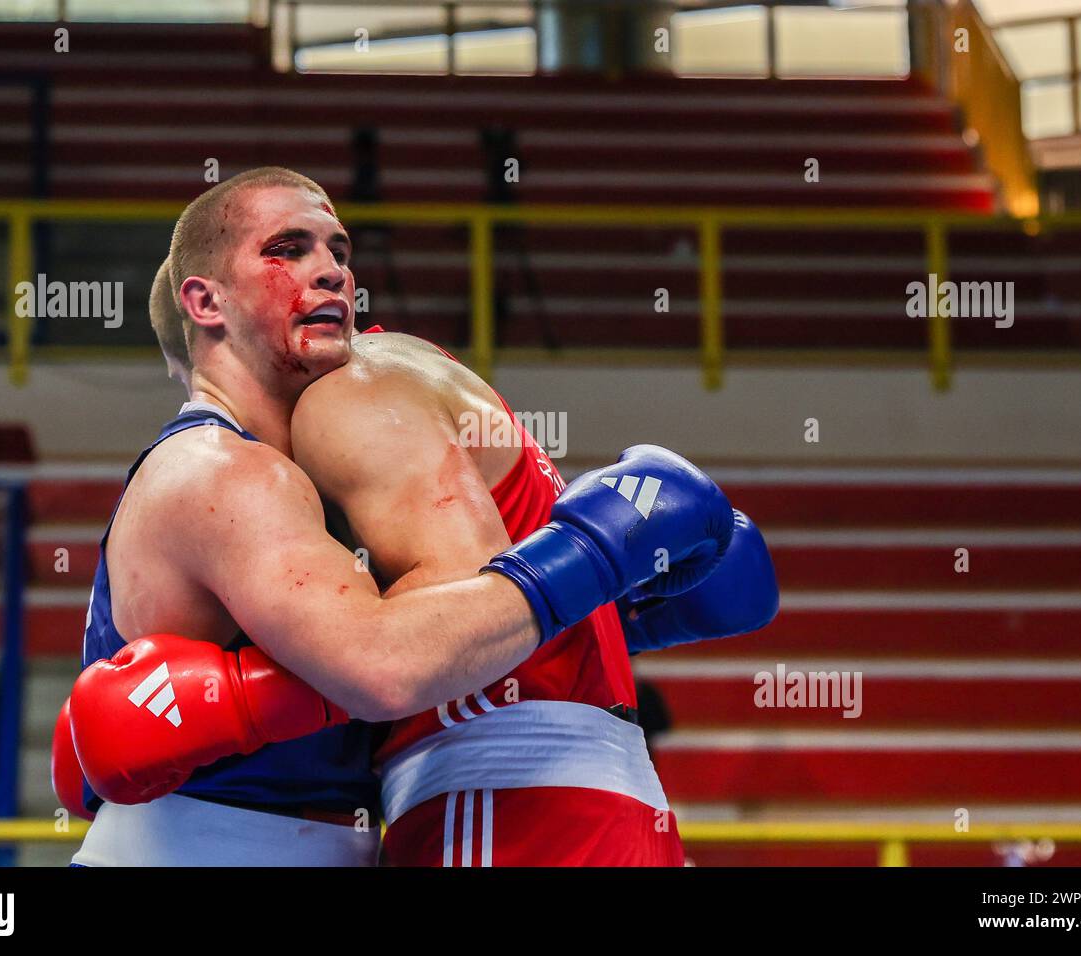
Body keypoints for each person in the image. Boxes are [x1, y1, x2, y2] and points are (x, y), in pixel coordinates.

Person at [52, 168, 737, 866]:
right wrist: (598, 552)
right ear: (204, 301)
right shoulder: (225, 471)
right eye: (288, 249)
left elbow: (411, 640)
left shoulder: (302, 484)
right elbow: (386, 666)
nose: (329, 273)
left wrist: (615, 617)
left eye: (340, 253)